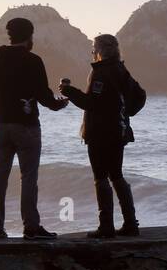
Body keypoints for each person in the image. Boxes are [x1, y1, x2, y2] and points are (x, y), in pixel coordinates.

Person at [0, 16, 68, 239]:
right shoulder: (33, 60)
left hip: (0, 124)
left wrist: (3, 98)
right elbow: (43, 94)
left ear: (9, 35)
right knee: (28, 177)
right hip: (26, 125)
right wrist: (60, 104)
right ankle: (31, 227)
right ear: (30, 36)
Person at [59, 34, 147, 239]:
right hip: (119, 131)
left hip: (99, 132)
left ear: (99, 51)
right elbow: (141, 95)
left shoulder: (100, 72)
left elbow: (91, 103)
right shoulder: (121, 69)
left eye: (93, 49)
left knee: (100, 177)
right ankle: (131, 224)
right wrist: (126, 113)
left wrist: (69, 91)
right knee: (116, 175)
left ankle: (106, 226)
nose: (92, 52)